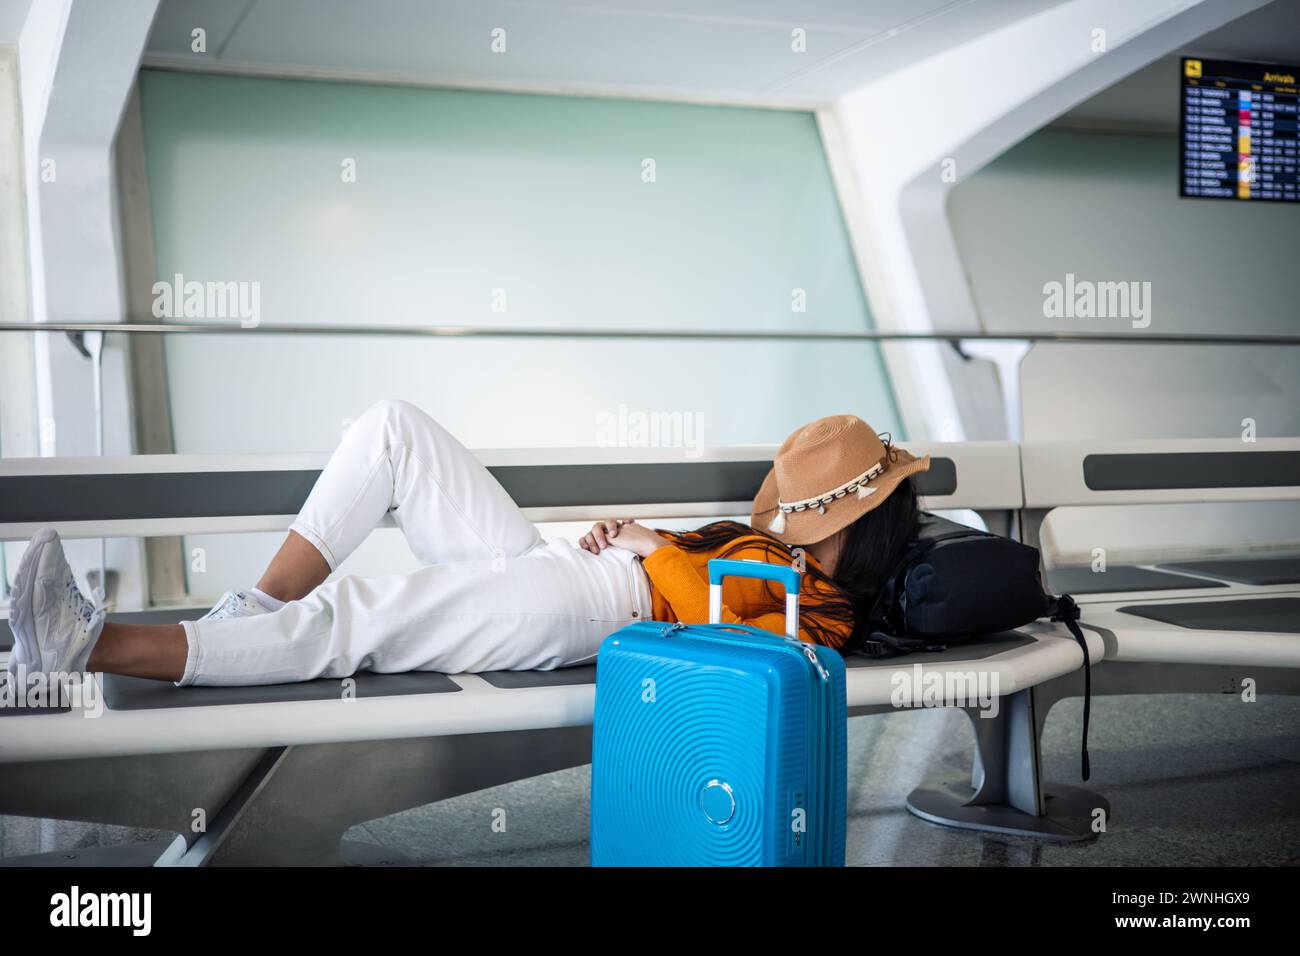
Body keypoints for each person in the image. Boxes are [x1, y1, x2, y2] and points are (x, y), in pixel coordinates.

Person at [6, 401, 928, 686]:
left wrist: (653, 550)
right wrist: (632, 538)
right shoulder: (787, 562)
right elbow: (690, 571)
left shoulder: (829, 614)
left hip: (589, 610)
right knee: (394, 431)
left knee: (368, 617)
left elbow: (725, 641)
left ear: (852, 523)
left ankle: (93, 647)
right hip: (569, 570)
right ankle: (252, 609)